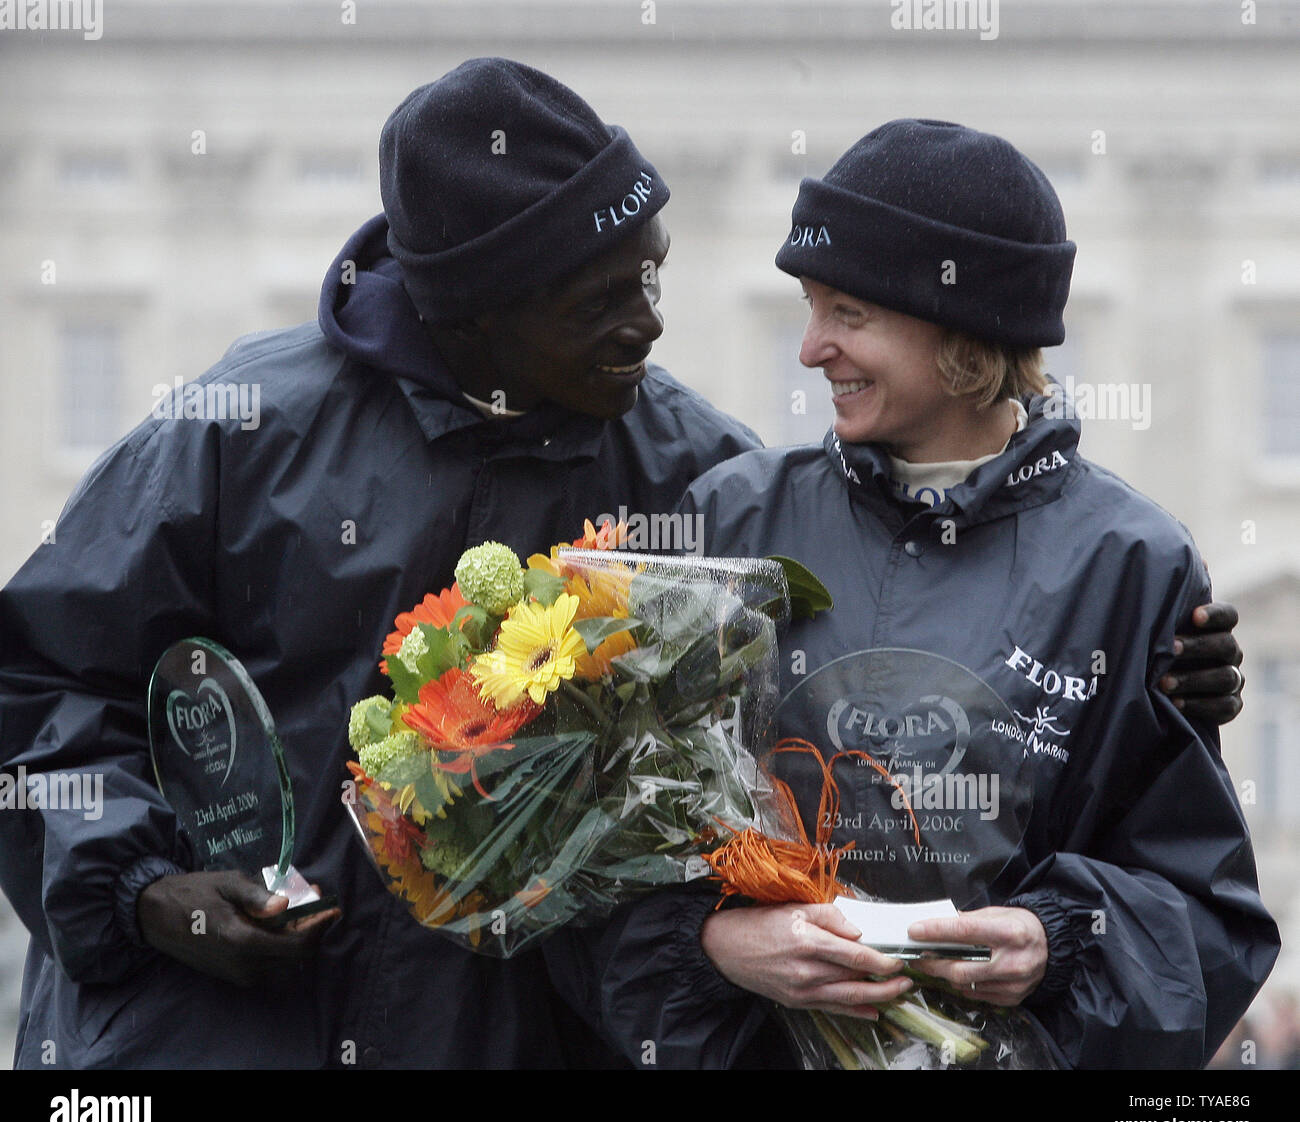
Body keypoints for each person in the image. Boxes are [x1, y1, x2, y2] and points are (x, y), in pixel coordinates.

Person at [0, 68, 1246, 1069]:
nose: (648, 322)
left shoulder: (699, 475)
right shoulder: (241, 429)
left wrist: (1166, 673)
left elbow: (883, 611)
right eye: (599, 298)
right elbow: (37, 685)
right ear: (471, 311)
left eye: (649, 274)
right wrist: (144, 890)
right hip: (201, 1038)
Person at [563, 120, 1278, 1069]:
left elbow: (1202, 914)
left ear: (963, 328)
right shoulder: (732, 518)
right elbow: (596, 860)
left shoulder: (1129, 561)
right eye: (811, 309)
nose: (812, 348)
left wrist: (1058, 941)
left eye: (849, 313)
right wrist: (717, 944)